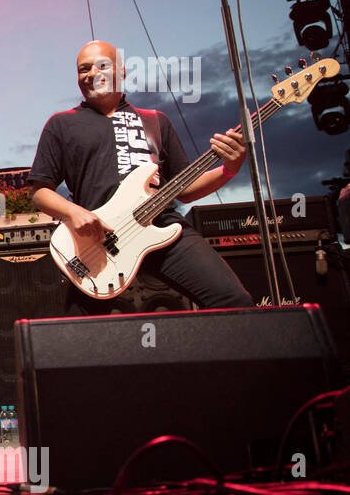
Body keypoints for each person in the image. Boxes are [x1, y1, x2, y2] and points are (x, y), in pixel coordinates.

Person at [28, 39, 252, 311]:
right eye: (83, 69)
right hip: (99, 240)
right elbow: (40, 191)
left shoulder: (155, 120)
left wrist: (230, 168)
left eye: (101, 65)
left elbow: (185, 188)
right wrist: (74, 213)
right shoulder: (62, 124)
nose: (90, 74)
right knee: (83, 337)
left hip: (162, 226)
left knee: (234, 301)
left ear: (122, 71)